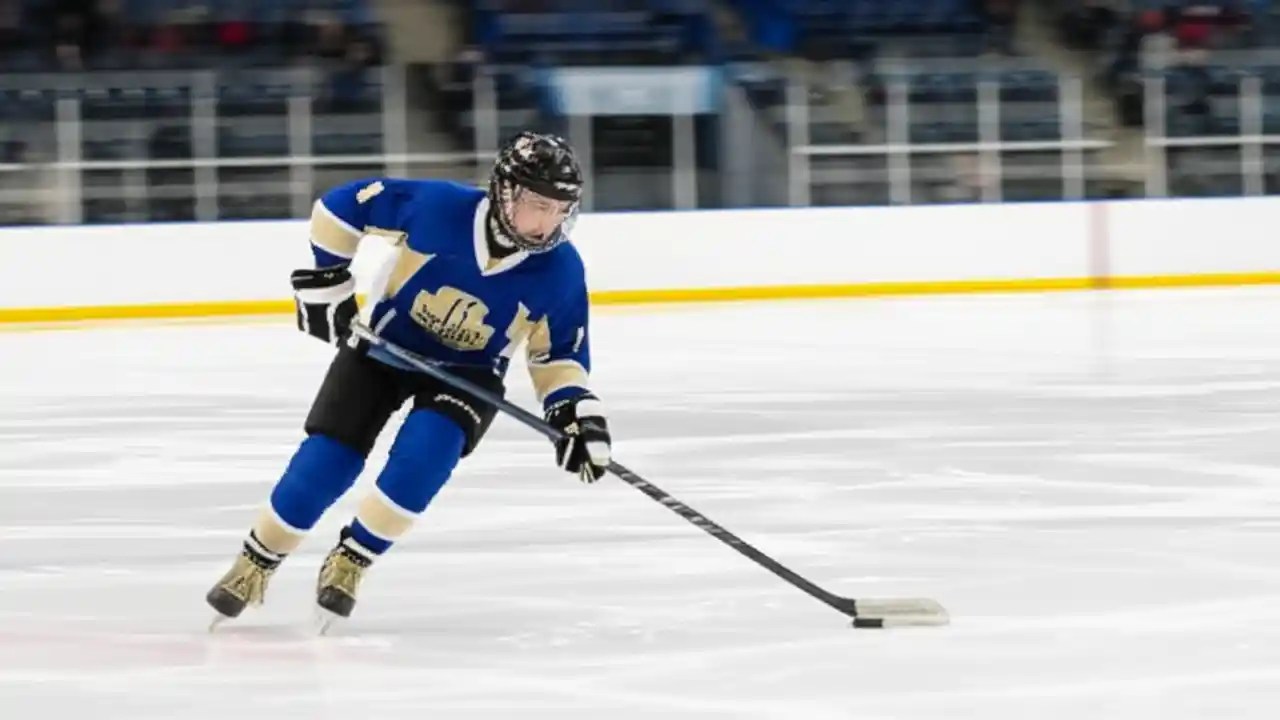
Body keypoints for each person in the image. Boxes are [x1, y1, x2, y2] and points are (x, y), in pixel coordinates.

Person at [205, 131, 612, 628]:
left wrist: (574, 414)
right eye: (535, 204)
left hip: (469, 373)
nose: (547, 221)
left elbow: (557, 356)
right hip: (382, 348)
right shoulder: (437, 207)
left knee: (425, 458)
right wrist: (325, 281)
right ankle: (256, 561)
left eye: (558, 208)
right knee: (325, 461)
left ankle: (353, 559)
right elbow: (338, 209)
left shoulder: (562, 271)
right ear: (503, 191)